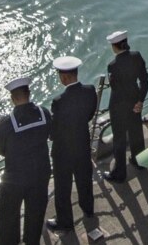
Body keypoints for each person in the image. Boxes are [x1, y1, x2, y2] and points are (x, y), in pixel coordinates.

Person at [0, 77, 51, 245]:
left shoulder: (5, 123)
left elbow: (0, 148)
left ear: (12, 98)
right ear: (29, 93)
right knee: (36, 211)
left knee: (9, 215)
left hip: (15, 178)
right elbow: (49, 133)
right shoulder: (44, 113)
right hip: (41, 173)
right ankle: (31, 241)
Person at [47, 55, 98, 231]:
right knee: (84, 179)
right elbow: (90, 113)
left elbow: (55, 129)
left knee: (63, 186)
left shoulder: (58, 101)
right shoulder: (90, 90)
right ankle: (89, 209)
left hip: (63, 151)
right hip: (82, 143)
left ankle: (65, 221)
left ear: (64, 77)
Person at [103, 30, 148, 182]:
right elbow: (144, 81)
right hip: (135, 101)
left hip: (118, 106)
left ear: (114, 47)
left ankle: (119, 172)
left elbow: (115, 88)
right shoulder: (137, 56)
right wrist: (140, 101)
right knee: (136, 132)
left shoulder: (113, 66)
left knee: (119, 138)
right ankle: (139, 161)